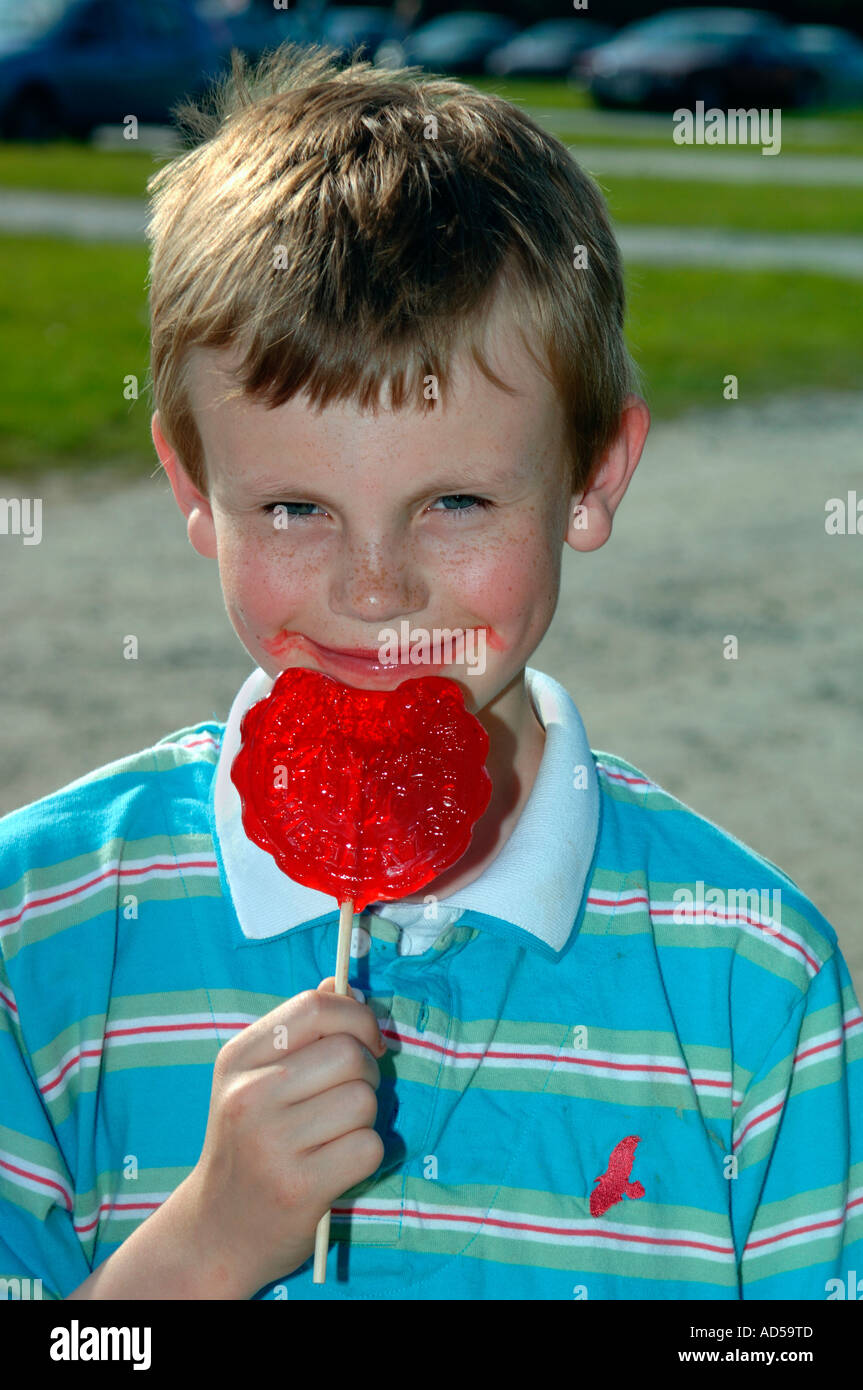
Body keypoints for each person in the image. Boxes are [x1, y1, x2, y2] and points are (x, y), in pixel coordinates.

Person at [1, 43, 860, 1302]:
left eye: (454, 499)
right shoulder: (39, 934)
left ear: (590, 477)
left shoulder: (753, 981)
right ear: (193, 491)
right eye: (293, 508)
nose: (374, 588)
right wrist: (204, 1248)